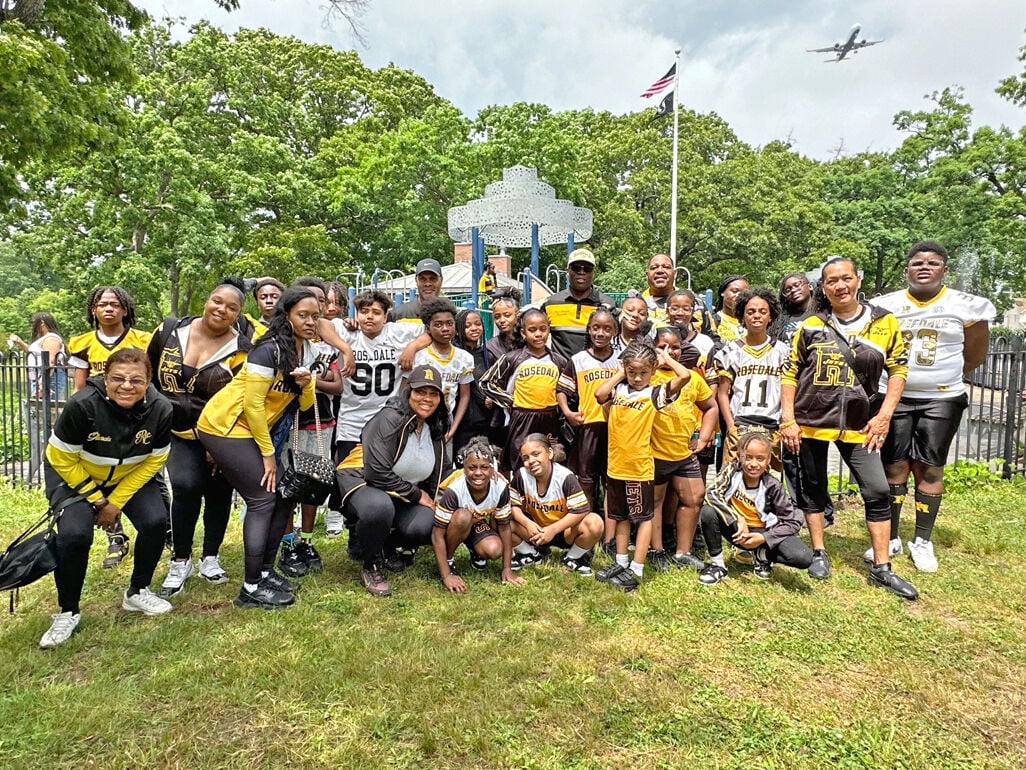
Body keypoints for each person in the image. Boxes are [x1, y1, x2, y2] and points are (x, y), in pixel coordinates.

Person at [779, 257, 918, 600]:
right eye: (831, 281)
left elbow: (898, 371)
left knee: (877, 489)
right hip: (811, 421)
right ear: (823, 287)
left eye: (845, 279)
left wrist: (884, 416)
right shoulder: (810, 325)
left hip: (861, 423)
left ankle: (882, 567)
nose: (840, 286)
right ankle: (818, 552)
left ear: (858, 280)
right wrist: (788, 420)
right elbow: (790, 372)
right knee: (813, 488)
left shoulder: (883, 322)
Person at [38, 348, 174, 648]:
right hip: (74, 474)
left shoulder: (161, 409)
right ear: (105, 378)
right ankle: (68, 611)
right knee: (74, 535)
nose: (127, 386)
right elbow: (59, 457)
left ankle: (137, 592)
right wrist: (97, 500)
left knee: (155, 521)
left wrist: (116, 503)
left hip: (130, 474)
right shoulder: (82, 405)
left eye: (136, 380)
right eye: (118, 379)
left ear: (148, 380)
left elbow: (155, 460)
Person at [873, 241, 996, 572]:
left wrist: (938, 377)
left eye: (932, 262)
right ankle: (893, 535)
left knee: (930, 467)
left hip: (941, 397)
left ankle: (923, 540)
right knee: (894, 467)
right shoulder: (886, 305)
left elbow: (975, 355)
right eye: (917, 263)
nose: (923, 267)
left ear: (945, 269)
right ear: (907, 269)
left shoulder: (966, 305)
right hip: (893, 396)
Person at [196, 286, 320, 609]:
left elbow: (305, 405)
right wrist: (268, 456)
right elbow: (252, 405)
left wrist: (307, 384)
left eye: (315, 316)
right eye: (303, 315)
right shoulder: (268, 350)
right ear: (287, 315)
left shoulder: (307, 352)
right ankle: (250, 588)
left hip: (252, 429)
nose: (310, 321)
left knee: (282, 496)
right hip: (224, 424)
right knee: (262, 498)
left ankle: (265, 572)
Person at [149, 279, 252, 597]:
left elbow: (242, 397)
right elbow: (147, 373)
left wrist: (218, 442)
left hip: (220, 435)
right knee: (185, 487)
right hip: (175, 431)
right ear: (207, 300)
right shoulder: (168, 331)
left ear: (238, 314)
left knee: (219, 493)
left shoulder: (241, 350)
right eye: (217, 301)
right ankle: (180, 560)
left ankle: (211, 556)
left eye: (231, 307)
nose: (222, 309)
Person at [336, 364, 451, 597]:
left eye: (433, 393)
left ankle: (386, 544)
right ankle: (371, 565)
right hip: (362, 482)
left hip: (399, 492)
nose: (426, 399)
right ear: (408, 391)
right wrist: (419, 495)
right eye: (420, 392)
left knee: (430, 522)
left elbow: (444, 471)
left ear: (441, 397)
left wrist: (480, 479)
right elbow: (376, 472)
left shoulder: (435, 425)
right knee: (379, 507)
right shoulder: (391, 417)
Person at [327, 290, 427, 546]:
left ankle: (386, 538)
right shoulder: (346, 330)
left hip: (387, 426)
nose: (369, 317)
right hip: (351, 424)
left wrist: (412, 348)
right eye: (363, 311)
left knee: (386, 482)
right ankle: (355, 535)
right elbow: (320, 323)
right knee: (351, 485)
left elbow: (432, 330)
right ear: (355, 313)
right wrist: (345, 348)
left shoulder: (397, 332)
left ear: (386, 316)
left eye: (376, 312)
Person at [593, 339, 692, 591]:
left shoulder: (654, 394)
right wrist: (618, 373)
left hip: (640, 469)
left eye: (644, 372)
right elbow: (599, 394)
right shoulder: (619, 392)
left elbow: (685, 376)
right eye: (632, 372)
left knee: (643, 518)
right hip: (615, 466)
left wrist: (665, 358)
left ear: (653, 371)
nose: (637, 378)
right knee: (621, 516)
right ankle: (622, 561)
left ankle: (636, 567)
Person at [66, 286, 153, 568]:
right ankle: (115, 536)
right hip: (100, 419)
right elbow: (80, 387)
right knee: (102, 476)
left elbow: (150, 380)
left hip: (137, 417)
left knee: (147, 473)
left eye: (115, 304)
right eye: (102, 304)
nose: (108, 309)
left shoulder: (142, 340)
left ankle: (162, 529)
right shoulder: (83, 343)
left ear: (125, 309)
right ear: (93, 309)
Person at [697, 433, 814, 585]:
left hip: (763, 533)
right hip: (737, 531)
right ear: (739, 457)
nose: (753, 464)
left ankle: (762, 553)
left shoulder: (773, 486)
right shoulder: (731, 472)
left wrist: (765, 538)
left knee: (803, 557)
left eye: (760, 458)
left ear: (768, 460)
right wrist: (736, 519)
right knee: (708, 511)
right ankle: (718, 565)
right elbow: (712, 493)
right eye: (748, 457)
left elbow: (792, 522)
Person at [649, 325, 717, 570]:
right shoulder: (647, 376)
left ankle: (682, 551)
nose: (669, 352)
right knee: (654, 503)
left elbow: (711, 407)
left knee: (694, 497)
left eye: (675, 347)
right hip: (654, 453)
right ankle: (656, 551)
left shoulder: (694, 378)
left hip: (683, 452)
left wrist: (704, 437)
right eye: (662, 347)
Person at [431, 437, 523, 591]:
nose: (478, 473)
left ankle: (475, 549)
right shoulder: (455, 490)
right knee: (463, 517)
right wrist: (446, 576)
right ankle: (448, 560)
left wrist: (507, 568)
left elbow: (505, 528)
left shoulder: (500, 488)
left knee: (494, 549)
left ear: (492, 468)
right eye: (472, 467)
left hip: (475, 522)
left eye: (484, 467)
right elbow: (436, 535)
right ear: (464, 468)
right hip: (453, 525)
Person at [714, 287, 790, 468]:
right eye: (751, 312)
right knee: (734, 482)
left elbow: (789, 389)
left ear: (770, 316)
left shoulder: (783, 351)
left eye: (763, 312)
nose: (757, 316)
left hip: (772, 425)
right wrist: (731, 427)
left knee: (769, 484)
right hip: (741, 423)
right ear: (742, 316)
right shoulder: (731, 351)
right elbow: (723, 393)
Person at [482, 308, 566, 470]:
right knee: (520, 460)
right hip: (522, 417)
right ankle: (519, 493)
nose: (538, 334)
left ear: (549, 330)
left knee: (549, 461)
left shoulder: (559, 361)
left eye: (543, 329)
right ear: (523, 333)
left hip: (549, 418)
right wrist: (509, 401)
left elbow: (567, 391)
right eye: (532, 330)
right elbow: (485, 383)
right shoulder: (512, 358)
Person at [508, 433, 605, 575]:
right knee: (499, 518)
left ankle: (573, 557)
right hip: (534, 531)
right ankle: (530, 554)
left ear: (550, 453)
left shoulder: (565, 477)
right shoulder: (521, 475)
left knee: (595, 522)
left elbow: (581, 510)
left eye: (536, 454)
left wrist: (553, 530)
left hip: (563, 532)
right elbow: (512, 506)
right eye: (526, 458)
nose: (531, 461)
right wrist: (527, 523)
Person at [557, 308, 618, 512]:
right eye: (596, 328)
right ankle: (588, 525)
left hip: (616, 427)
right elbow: (562, 389)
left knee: (611, 481)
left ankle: (609, 536)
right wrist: (568, 413)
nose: (601, 333)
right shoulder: (578, 360)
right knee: (586, 481)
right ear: (589, 330)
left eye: (607, 329)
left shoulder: (621, 360)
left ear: (615, 332)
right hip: (588, 426)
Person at [411, 299, 474, 447]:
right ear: (428, 328)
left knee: (442, 465)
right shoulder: (419, 356)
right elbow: (406, 390)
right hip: (419, 419)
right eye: (438, 325)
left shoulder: (464, 358)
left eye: (449, 323)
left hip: (446, 421)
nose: (445, 328)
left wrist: (453, 428)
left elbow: (464, 396)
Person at [540, 248, 618, 360]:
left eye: (587, 269)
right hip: (561, 373)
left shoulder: (608, 305)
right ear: (567, 271)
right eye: (576, 268)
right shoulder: (550, 304)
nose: (582, 272)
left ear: (593, 273)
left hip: (595, 373)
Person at [452, 309, 494, 458]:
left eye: (477, 324)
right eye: (468, 326)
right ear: (458, 330)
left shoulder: (487, 355)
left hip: (484, 421)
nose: (474, 328)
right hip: (462, 422)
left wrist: (492, 398)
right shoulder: (455, 355)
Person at [392, 258, 444, 324]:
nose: (427, 284)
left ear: (441, 280)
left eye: (433, 279)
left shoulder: (450, 316)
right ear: (416, 280)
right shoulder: (398, 315)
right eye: (422, 279)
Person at [712, 275, 750, 343]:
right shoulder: (712, 322)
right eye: (734, 291)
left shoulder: (752, 321)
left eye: (744, 293)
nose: (739, 296)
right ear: (722, 292)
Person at [642, 253, 677, 326]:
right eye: (654, 267)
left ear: (675, 274)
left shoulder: (694, 303)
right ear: (647, 275)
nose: (660, 270)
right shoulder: (636, 305)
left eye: (666, 267)